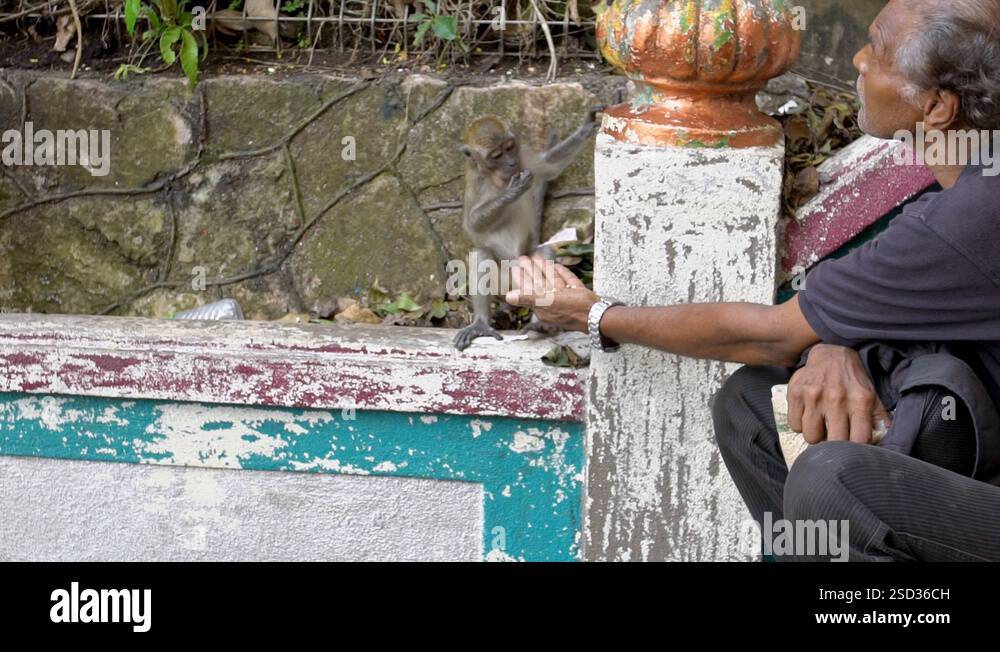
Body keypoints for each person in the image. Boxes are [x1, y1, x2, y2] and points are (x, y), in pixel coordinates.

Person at [505, 0, 1000, 561]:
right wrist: (833, 344)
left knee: (835, 480)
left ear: (935, 107)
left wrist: (593, 313)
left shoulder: (970, 218)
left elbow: (771, 333)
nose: (859, 61)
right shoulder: (972, 186)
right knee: (757, 405)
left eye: (879, 52)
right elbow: (852, 318)